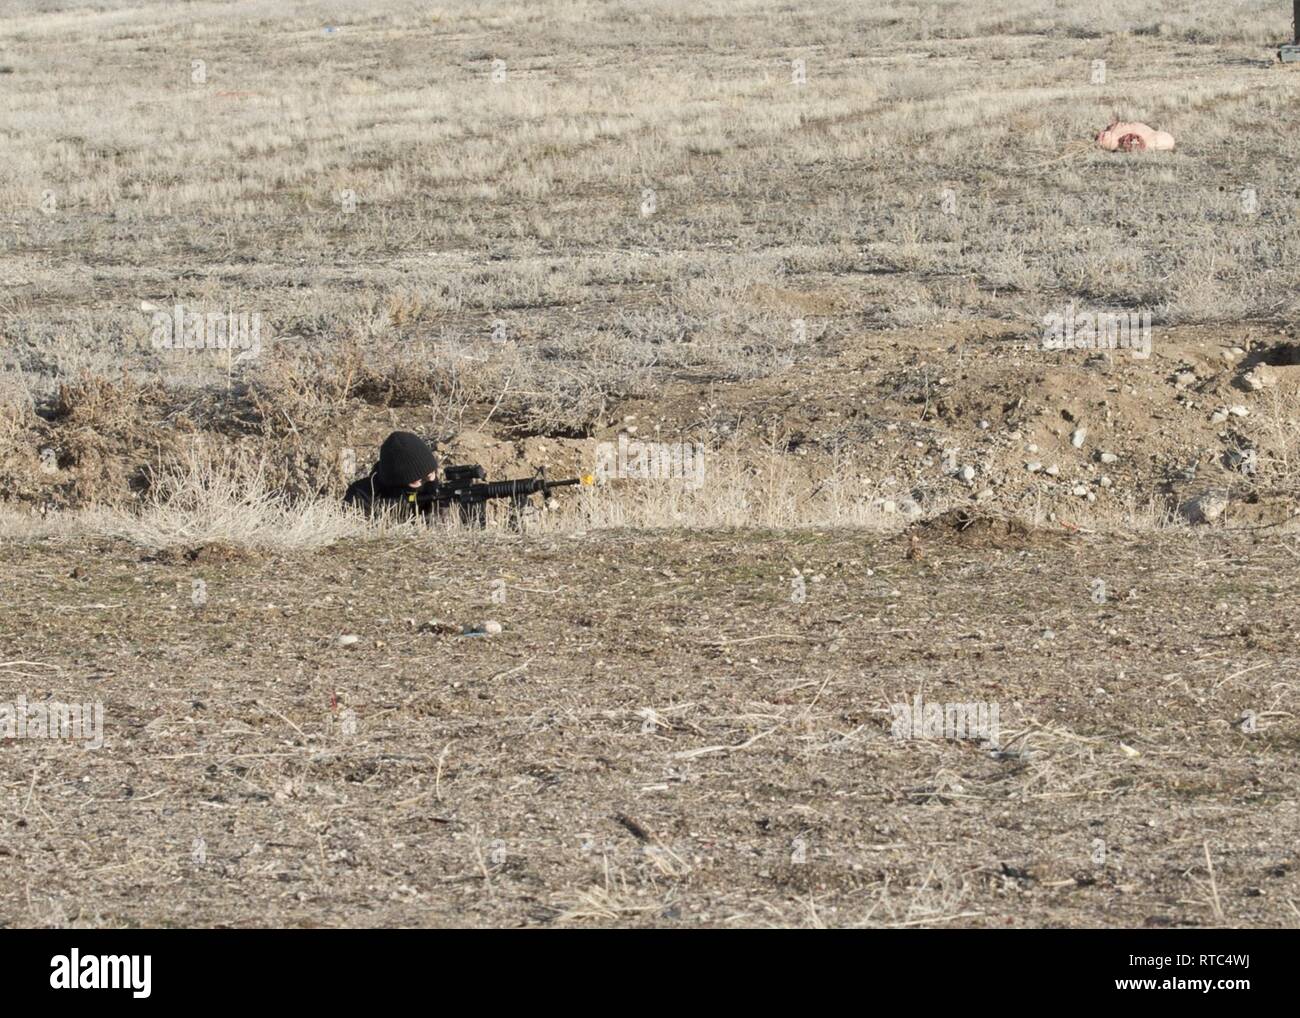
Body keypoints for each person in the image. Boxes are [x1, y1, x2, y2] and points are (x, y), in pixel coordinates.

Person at [343, 431, 440, 517]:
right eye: (418, 480)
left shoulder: (435, 492)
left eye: (431, 474)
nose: (430, 481)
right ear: (397, 481)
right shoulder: (362, 495)